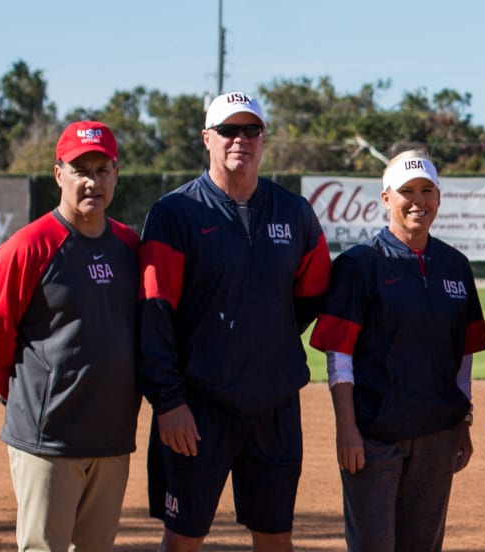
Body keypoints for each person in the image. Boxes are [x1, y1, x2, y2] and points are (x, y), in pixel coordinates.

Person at [138, 92, 331, 552]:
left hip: (275, 405)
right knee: (184, 537)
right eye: (228, 130)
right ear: (207, 138)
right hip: (198, 408)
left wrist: (267, 336)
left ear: (264, 139)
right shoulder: (174, 214)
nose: (239, 139)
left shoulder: (294, 213)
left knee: (275, 537)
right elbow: (153, 312)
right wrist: (168, 403)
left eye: (251, 130)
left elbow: (312, 293)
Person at [0, 120, 140, 552]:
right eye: (81, 170)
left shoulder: (130, 246)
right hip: (49, 438)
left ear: (116, 174)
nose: (92, 182)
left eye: (102, 170)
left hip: (112, 437)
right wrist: (23, 395)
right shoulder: (29, 247)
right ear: (58, 173)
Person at [307, 151, 485, 551]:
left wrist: (464, 420)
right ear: (386, 198)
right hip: (374, 436)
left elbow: (464, 354)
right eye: (406, 191)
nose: (418, 201)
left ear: (439, 198)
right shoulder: (360, 264)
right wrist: (347, 428)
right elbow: (339, 354)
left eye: (427, 191)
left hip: (437, 433)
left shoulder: (455, 266)